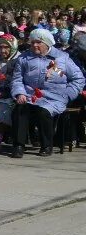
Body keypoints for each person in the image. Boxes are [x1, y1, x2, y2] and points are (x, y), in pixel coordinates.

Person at [9, 27, 85, 157]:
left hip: (54, 97)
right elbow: (17, 79)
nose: (34, 45)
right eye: (32, 42)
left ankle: (46, 145)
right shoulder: (24, 58)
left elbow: (78, 78)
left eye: (38, 42)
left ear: (47, 43)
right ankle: (18, 146)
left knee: (43, 111)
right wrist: (19, 93)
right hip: (30, 95)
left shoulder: (62, 58)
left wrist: (67, 94)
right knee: (20, 109)